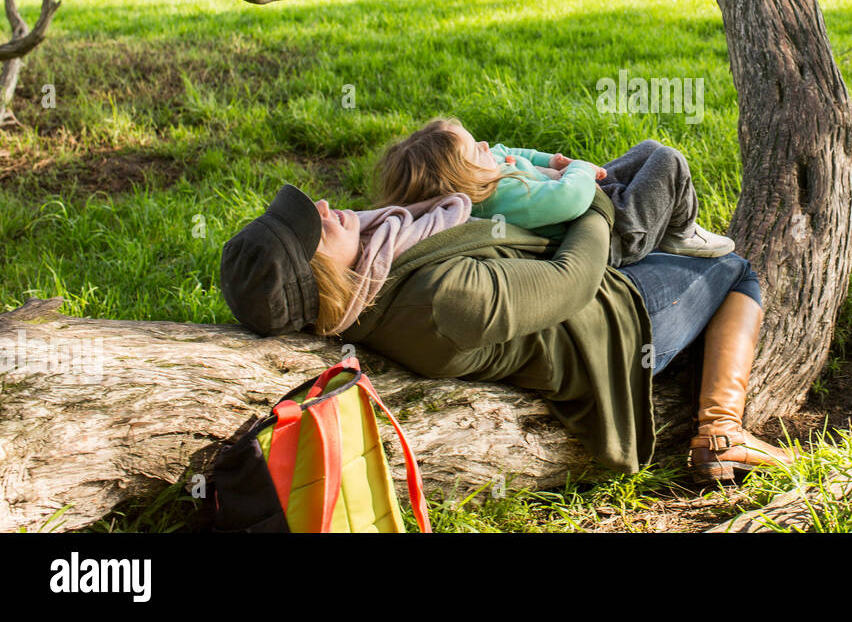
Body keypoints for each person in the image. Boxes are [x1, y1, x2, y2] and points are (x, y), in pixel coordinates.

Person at [219, 183, 796, 485]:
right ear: (324, 278)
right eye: (315, 227)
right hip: (614, 321)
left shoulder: (378, 273)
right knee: (736, 268)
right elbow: (571, 284)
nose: (324, 206)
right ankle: (721, 433)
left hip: (580, 288)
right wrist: (590, 208)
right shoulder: (443, 304)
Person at [373, 117, 733, 266]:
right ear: (462, 179)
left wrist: (553, 160)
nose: (487, 145)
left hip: (593, 201)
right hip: (616, 234)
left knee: (649, 148)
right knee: (668, 161)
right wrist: (578, 169)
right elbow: (568, 199)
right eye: (475, 150)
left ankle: (670, 221)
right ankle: (679, 232)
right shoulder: (499, 199)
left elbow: (504, 150)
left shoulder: (486, 171)